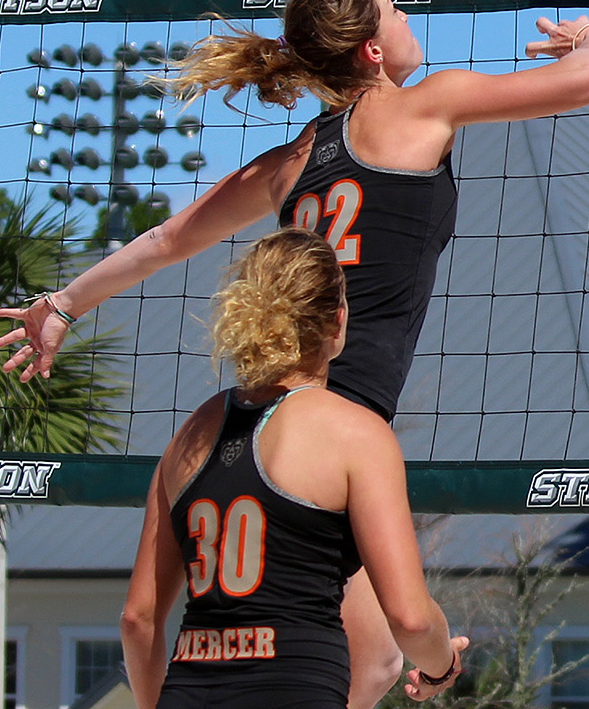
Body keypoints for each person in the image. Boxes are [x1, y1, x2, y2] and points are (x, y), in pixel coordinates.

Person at [0, 0, 589, 706]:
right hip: (335, 431)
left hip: (258, 411)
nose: (411, 19)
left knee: (368, 657)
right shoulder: (427, 105)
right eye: (397, 11)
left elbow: (166, 239)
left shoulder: (292, 161)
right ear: (373, 52)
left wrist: (65, 302)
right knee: (375, 656)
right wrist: (585, 33)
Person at [121, 227, 468, 709]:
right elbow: (411, 619)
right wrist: (441, 665)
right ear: (337, 321)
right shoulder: (356, 434)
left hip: (189, 690)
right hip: (296, 687)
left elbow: (138, 619)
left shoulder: (191, 433)